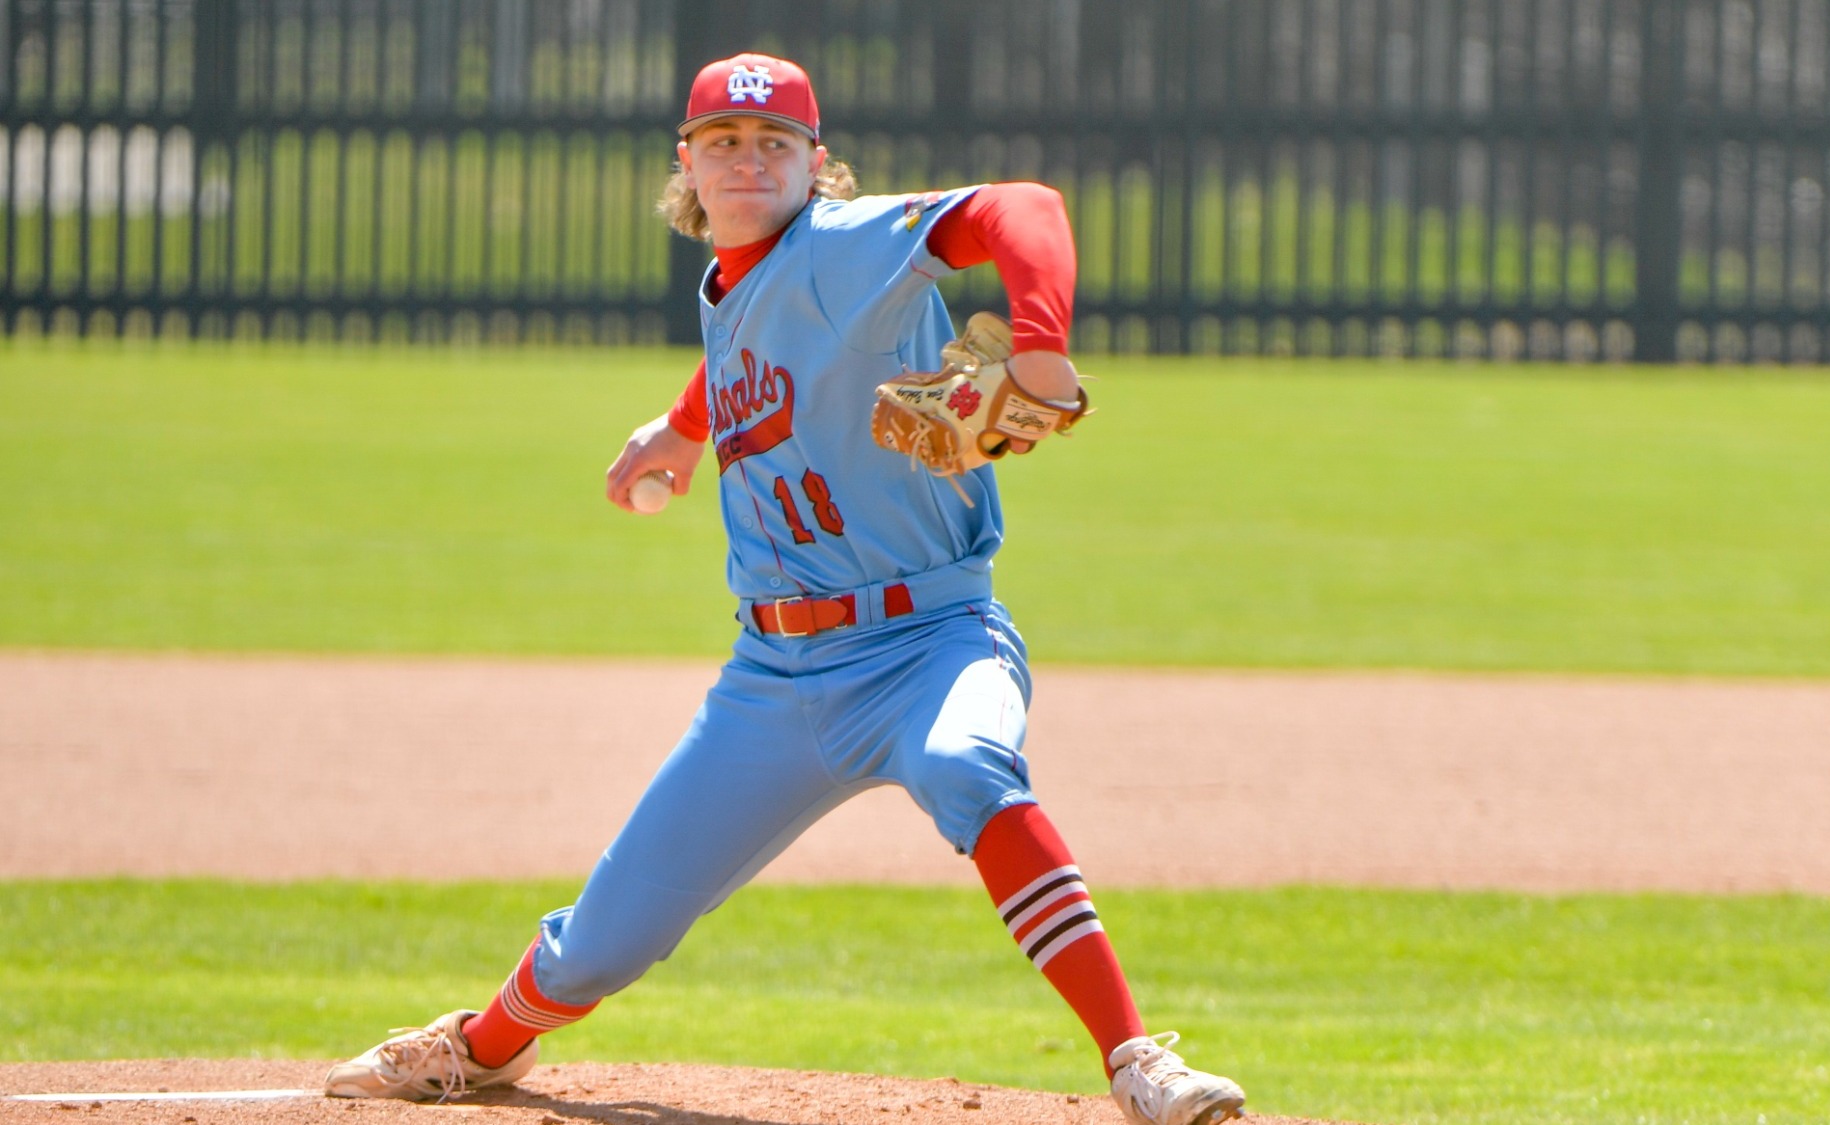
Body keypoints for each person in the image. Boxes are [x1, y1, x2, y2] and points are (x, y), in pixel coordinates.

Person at [322, 52, 1245, 1125]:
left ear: (818, 165)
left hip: (928, 641)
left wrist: (1038, 350)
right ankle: (478, 1050)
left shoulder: (844, 247)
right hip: (775, 677)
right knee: (607, 936)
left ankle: (1137, 1061)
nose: (748, 161)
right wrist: (681, 428)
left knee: (966, 765)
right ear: (688, 166)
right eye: (724, 143)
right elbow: (753, 344)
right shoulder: (735, 277)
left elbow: (1022, 206)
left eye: (774, 144)